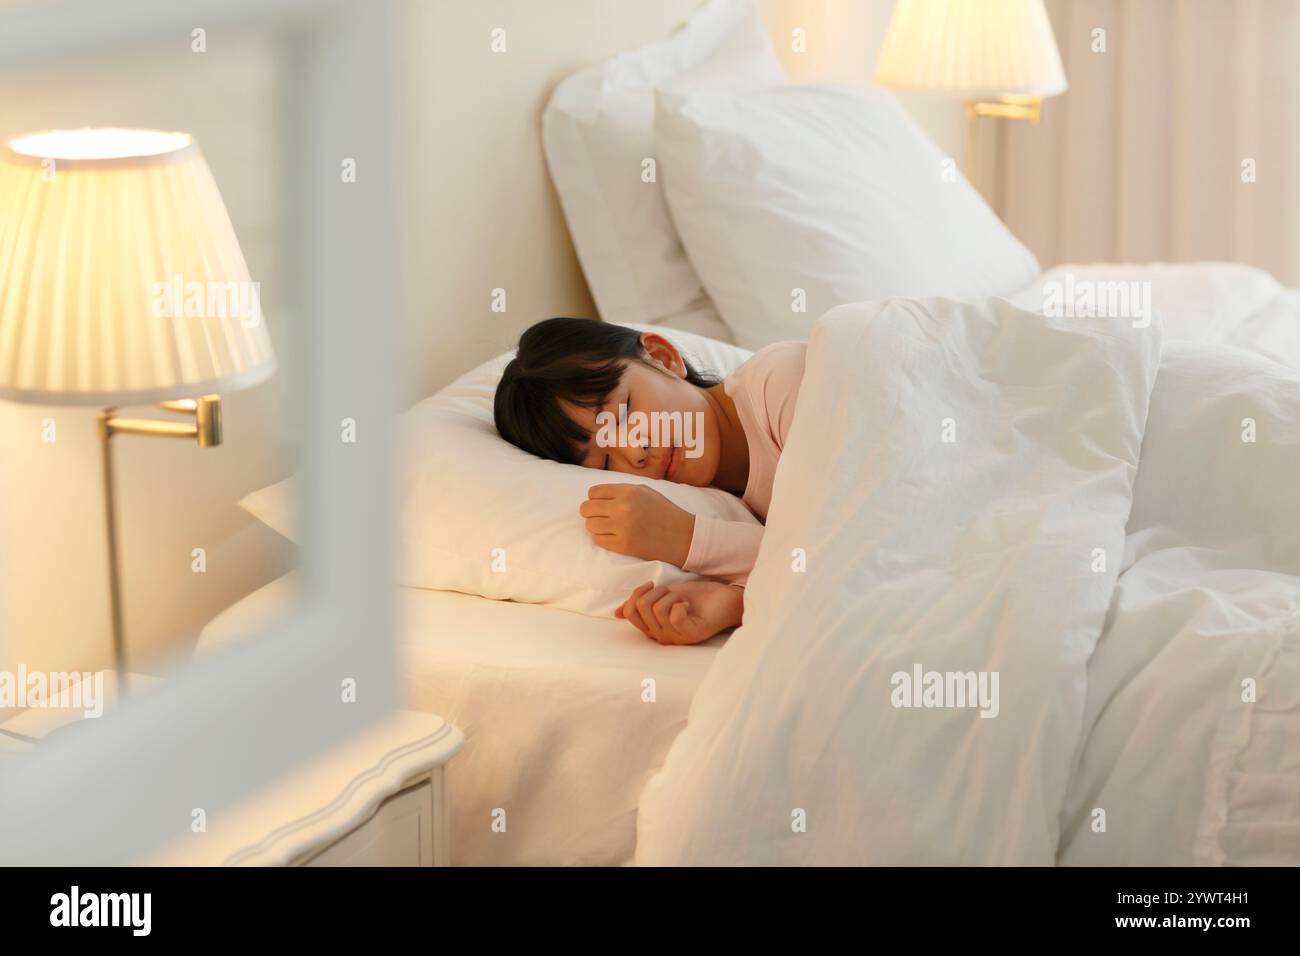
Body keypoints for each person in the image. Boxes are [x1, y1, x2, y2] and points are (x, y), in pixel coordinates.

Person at [494, 317, 806, 645]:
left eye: (625, 413)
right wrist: (735, 604)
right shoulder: (727, 501)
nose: (636, 450)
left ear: (662, 357)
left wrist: (687, 538)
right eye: (604, 461)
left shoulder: (783, 381)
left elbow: (843, 551)